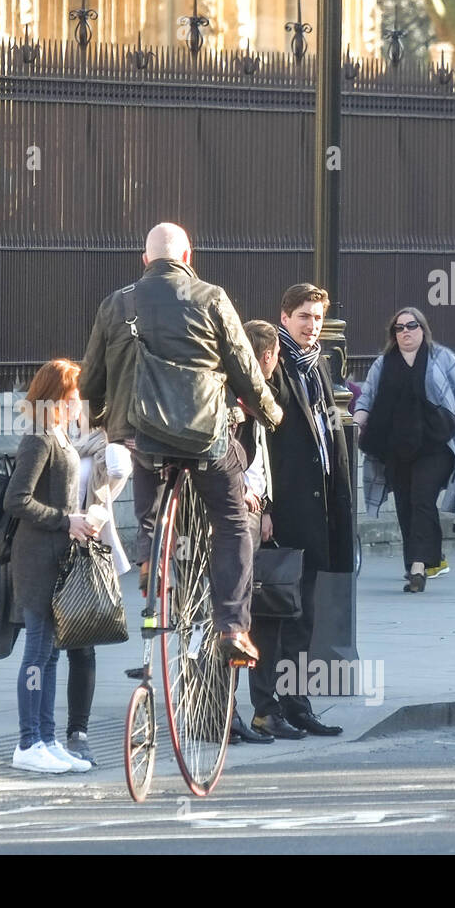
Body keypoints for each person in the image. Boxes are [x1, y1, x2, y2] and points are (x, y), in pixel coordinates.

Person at [79, 222, 281, 665]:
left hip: (142, 434)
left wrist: (104, 422)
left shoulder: (117, 304)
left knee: (148, 470)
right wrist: (271, 413)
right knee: (231, 521)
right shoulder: (211, 298)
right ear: (188, 259)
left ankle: (151, 562)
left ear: (145, 260)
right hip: (205, 438)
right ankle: (233, 626)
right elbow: (245, 369)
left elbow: (90, 378)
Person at [256, 282, 352, 737]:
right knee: (275, 613)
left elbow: (328, 433)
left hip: (319, 507)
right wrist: (266, 505)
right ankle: (267, 705)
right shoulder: (274, 362)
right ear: (285, 315)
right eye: (304, 317)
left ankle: (299, 703)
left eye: (317, 318)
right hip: (285, 507)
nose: (312, 326)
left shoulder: (320, 366)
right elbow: (258, 441)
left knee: (305, 616)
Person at [5, 359, 97, 774]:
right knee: (38, 654)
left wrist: (81, 521)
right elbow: (16, 500)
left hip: (58, 556)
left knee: (52, 655)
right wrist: (66, 520)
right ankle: (28, 742)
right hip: (37, 559)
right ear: (57, 397)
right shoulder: (39, 437)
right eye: (75, 395)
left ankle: (47, 737)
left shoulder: (59, 435)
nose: (81, 403)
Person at [355, 307, 455, 592]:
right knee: (406, 505)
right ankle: (424, 560)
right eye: (399, 328)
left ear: (423, 329)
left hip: (435, 444)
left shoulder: (441, 357)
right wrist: (356, 425)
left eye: (411, 326)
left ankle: (419, 567)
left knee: (422, 497)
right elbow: (365, 400)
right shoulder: (383, 364)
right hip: (397, 447)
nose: (405, 332)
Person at [232, 320, 290, 744]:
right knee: (234, 615)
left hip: (256, 512)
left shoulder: (250, 396)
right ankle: (226, 712)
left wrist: (265, 504)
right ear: (267, 356)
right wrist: (241, 493)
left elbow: (259, 459)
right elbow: (224, 455)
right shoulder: (240, 398)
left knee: (256, 615)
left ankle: (262, 710)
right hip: (236, 516)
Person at [62, 415, 132, 766]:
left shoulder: (103, 445)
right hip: (49, 543)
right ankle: (38, 735)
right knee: (42, 649)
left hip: (84, 547)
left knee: (81, 645)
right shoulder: (51, 435)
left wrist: (112, 433)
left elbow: (120, 471)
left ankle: (78, 733)